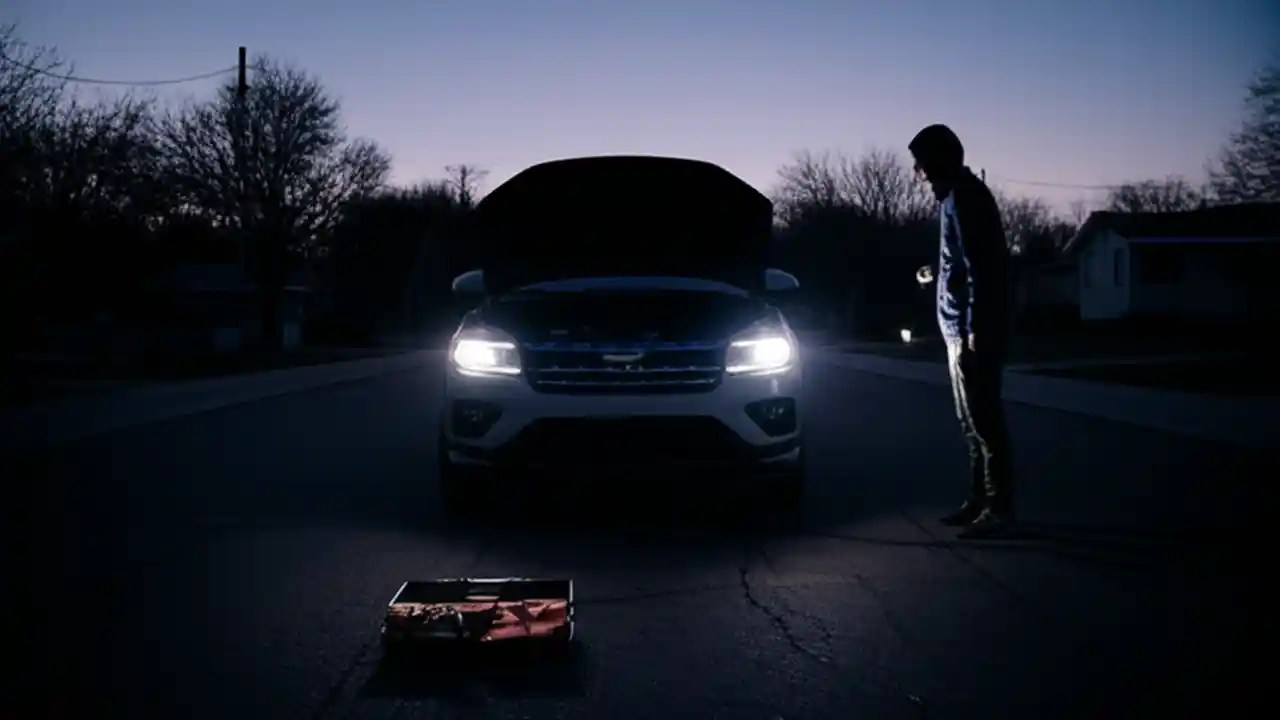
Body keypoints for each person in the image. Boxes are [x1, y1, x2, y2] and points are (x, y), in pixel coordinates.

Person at [908, 124, 1016, 539]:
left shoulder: (968, 198)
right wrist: (935, 274)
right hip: (958, 330)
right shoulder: (952, 199)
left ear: (939, 160)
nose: (919, 172)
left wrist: (974, 332)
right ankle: (978, 500)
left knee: (985, 421)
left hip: (974, 332)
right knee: (969, 421)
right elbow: (960, 261)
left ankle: (999, 507)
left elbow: (984, 269)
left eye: (922, 163)